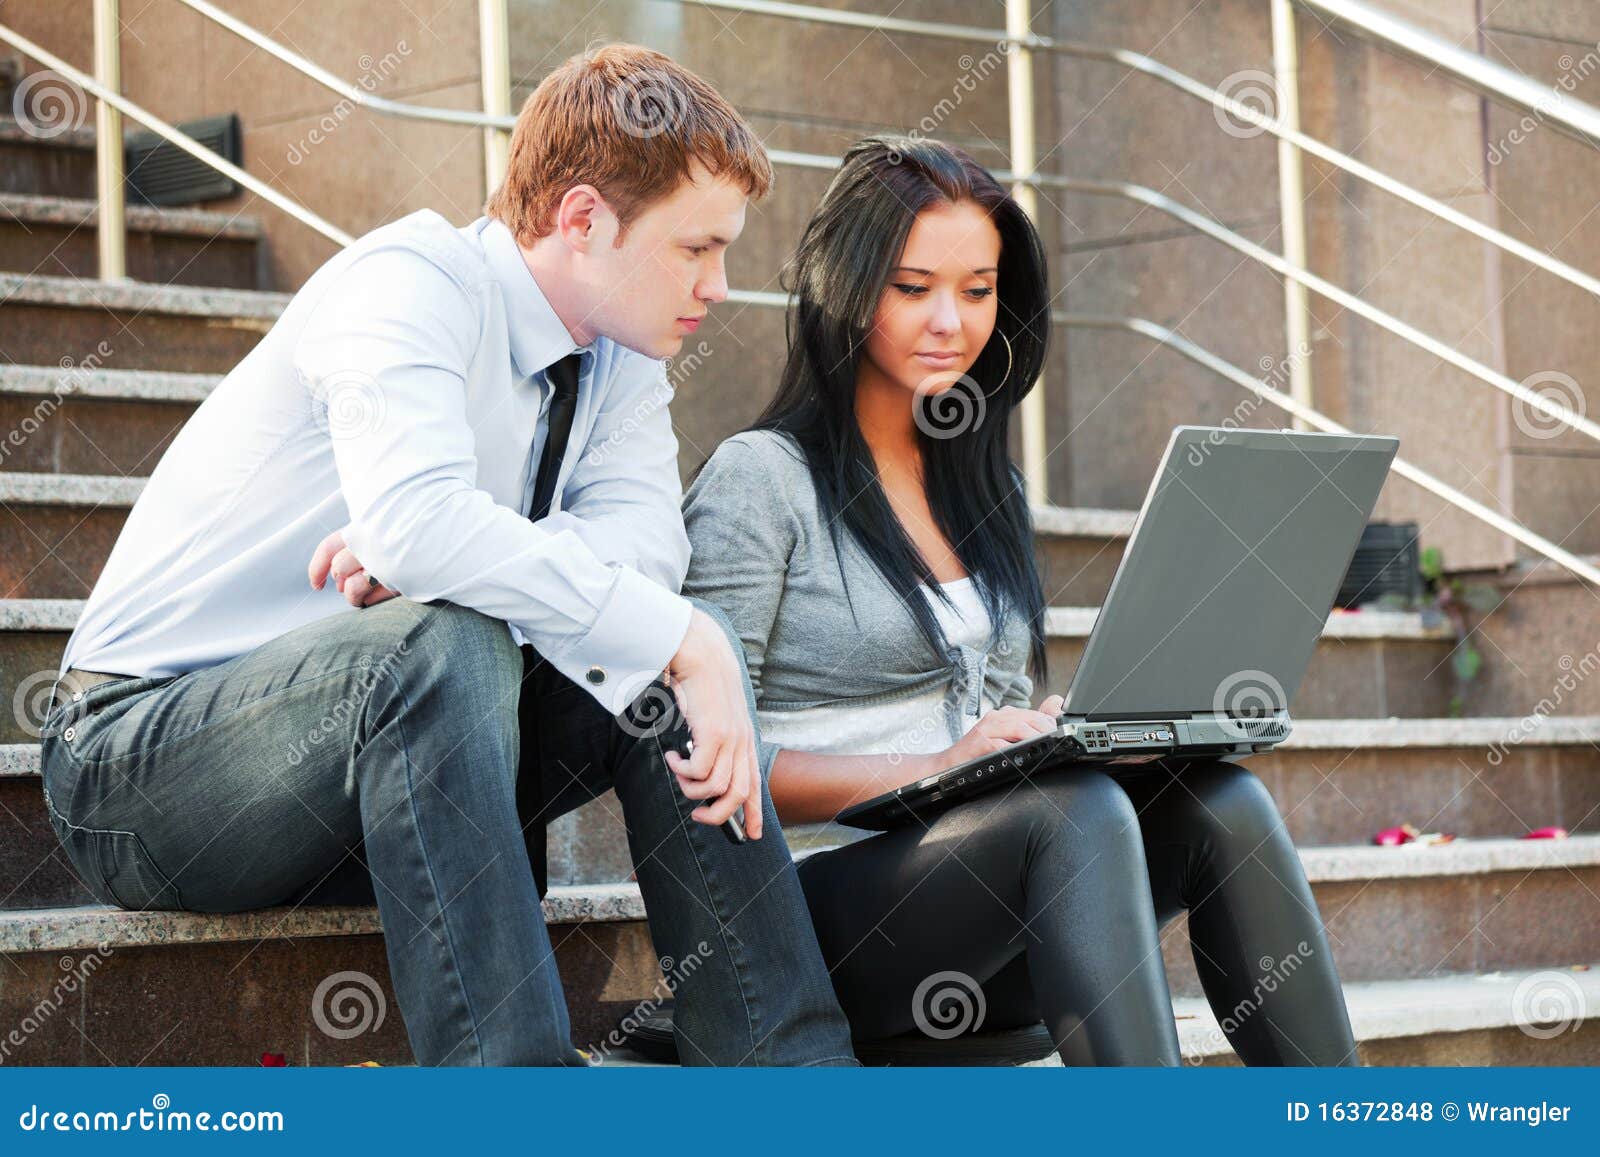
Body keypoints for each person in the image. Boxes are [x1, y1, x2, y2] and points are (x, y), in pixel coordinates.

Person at [37, 44, 856, 1069]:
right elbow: (425, 525)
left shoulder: (621, 358)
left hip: (387, 773)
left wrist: (459, 553)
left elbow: (641, 554)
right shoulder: (408, 282)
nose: (719, 286)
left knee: (659, 653)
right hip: (145, 765)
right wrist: (442, 552)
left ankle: (795, 1080)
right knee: (454, 640)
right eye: (696, 247)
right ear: (584, 219)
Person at [679, 136, 1360, 1066]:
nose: (950, 321)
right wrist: (935, 764)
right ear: (844, 290)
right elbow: (705, 764)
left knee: (1219, 802)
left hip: (980, 887)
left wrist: (1031, 737)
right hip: (810, 919)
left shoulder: (985, 490)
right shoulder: (761, 481)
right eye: (911, 287)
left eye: (977, 288)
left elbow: (986, 721)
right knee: (1069, 813)